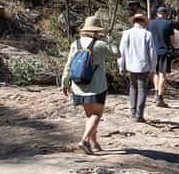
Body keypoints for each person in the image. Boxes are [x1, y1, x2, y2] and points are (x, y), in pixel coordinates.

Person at [61, 15, 118, 155]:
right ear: (97, 30)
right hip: (97, 85)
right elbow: (117, 53)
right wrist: (109, 38)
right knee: (97, 114)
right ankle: (84, 140)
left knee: (89, 115)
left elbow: (68, 64)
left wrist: (65, 82)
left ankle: (94, 143)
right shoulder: (99, 44)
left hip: (78, 85)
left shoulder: (76, 43)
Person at [119, 13, 157, 122]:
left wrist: (121, 66)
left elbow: (121, 51)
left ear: (134, 21)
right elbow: (152, 52)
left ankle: (132, 111)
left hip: (130, 66)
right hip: (143, 66)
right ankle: (139, 114)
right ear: (143, 22)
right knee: (142, 89)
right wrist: (153, 67)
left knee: (132, 87)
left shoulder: (126, 33)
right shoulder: (147, 34)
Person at [148, 6, 174, 108]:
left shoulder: (150, 24)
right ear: (165, 14)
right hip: (164, 52)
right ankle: (160, 96)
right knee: (162, 75)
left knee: (155, 73)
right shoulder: (168, 24)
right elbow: (172, 40)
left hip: (153, 52)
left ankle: (155, 92)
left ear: (157, 13)